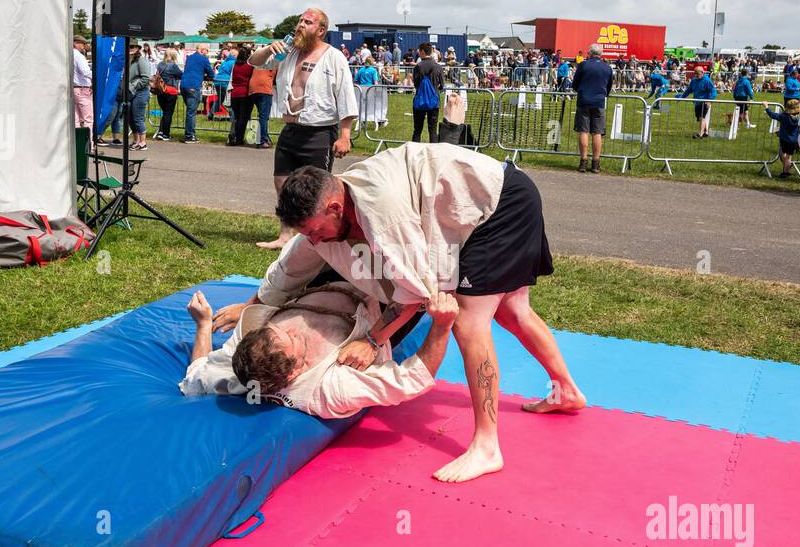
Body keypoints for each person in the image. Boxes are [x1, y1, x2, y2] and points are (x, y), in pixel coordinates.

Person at [216, 145, 586, 484]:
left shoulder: (384, 217)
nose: (315, 241)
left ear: (334, 207)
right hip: (492, 195)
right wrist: (252, 307)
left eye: (315, 232)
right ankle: (566, 390)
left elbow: (415, 294)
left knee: (469, 320)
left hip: (498, 207)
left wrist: (372, 340)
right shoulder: (328, 215)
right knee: (511, 310)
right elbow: (291, 269)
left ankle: (487, 446)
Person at [182, 283, 458, 419]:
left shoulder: (241, 366)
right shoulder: (326, 389)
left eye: (279, 328)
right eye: (294, 339)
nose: (294, 329)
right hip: (380, 298)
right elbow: (413, 380)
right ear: (297, 371)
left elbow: (196, 373)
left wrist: (203, 325)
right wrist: (443, 325)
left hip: (325, 276)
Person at [248, 7, 358, 250]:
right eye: (300, 20)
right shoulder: (286, 52)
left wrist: (345, 135)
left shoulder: (333, 57)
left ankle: (318, 238)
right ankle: (286, 236)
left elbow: (346, 96)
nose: (300, 25)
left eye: (307, 22)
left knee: (317, 190)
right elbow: (254, 62)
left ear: (320, 30)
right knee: (282, 183)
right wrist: (269, 48)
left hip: (319, 131)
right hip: (291, 129)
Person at [571, 43, 612, 173]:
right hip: (599, 101)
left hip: (584, 100)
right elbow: (608, 86)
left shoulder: (583, 65)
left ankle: (583, 162)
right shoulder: (607, 68)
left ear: (590, 53)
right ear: (601, 54)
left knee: (583, 131)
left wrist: (581, 91)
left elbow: (575, 83)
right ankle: (595, 163)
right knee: (597, 132)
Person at [410, 42, 446, 142]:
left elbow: (416, 84)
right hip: (434, 101)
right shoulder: (438, 66)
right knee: (433, 130)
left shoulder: (418, 66)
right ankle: (433, 153)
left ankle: (414, 152)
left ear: (422, 52)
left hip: (420, 100)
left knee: (417, 130)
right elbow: (442, 85)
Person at [178, 44, 214, 142]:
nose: (207, 52)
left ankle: (189, 134)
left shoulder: (189, 57)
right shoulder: (204, 59)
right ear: (202, 50)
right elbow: (211, 74)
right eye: (207, 50)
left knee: (190, 111)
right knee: (191, 112)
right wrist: (205, 75)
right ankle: (190, 136)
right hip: (193, 87)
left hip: (184, 86)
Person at [763, 97, 800, 179]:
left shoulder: (784, 116)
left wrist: (766, 107)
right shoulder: (799, 118)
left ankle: (785, 172)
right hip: (794, 140)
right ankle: (786, 169)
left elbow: (773, 115)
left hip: (785, 139)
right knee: (788, 157)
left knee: (784, 155)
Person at [152, 47, 182, 141]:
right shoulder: (173, 66)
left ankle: (161, 132)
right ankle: (166, 134)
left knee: (165, 112)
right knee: (168, 113)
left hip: (160, 91)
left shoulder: (160, 64)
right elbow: (181, 74)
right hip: (170, 91)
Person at [680, 65, 718, 139]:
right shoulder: (694, 80)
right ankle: (706, 132)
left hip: (705, 101)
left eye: (697, 73)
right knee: (700, 118)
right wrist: (682, 97)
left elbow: (713, 91)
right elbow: (689, 90)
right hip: (697, 102)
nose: (696, 75)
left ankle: (700, 134)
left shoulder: (707, 80)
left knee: (701, 118)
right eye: (695, 73)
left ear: (702, 72)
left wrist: (709, 100)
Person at [228, 45, 255, 146]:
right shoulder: (249, 66)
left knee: (236, 117)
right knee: (243, 118)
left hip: (235, 93)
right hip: (245, 93)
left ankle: (232, 135)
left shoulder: (235, 65)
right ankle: (239, 138)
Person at [250, 62, 276, 148]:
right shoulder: (276, 62)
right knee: (263, 117)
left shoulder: (260, 60)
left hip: (253, 89)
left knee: (262, 116)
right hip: (264, 89)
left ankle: (263, 138)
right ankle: (263, 140)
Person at [72, 36, 93, 132]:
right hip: (82, 89)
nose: (84, 46)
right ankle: (89, 145)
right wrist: (97, 77)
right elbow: (86, 72)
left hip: (74, 88)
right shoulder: (79, 56)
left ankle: (77, 145)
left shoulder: (70, 55)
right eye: (83, 43)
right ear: (76, 43)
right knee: (88, 119)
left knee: (76, 120)